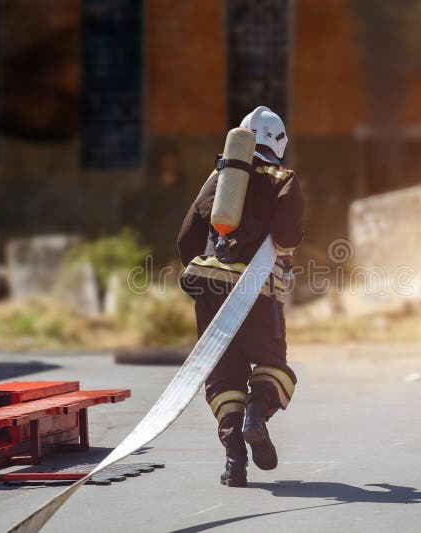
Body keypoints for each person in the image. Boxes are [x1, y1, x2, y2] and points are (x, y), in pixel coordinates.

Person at [177, 106, 304, 487]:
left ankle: (235, 462)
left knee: (223, 374)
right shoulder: (284, 178)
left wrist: (208, 277)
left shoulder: (218, 177)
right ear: (279, 143)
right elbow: (285, 237)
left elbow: (186, 239)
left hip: (210, 289)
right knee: (272, 364)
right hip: (256, 289)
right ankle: (256, 414)